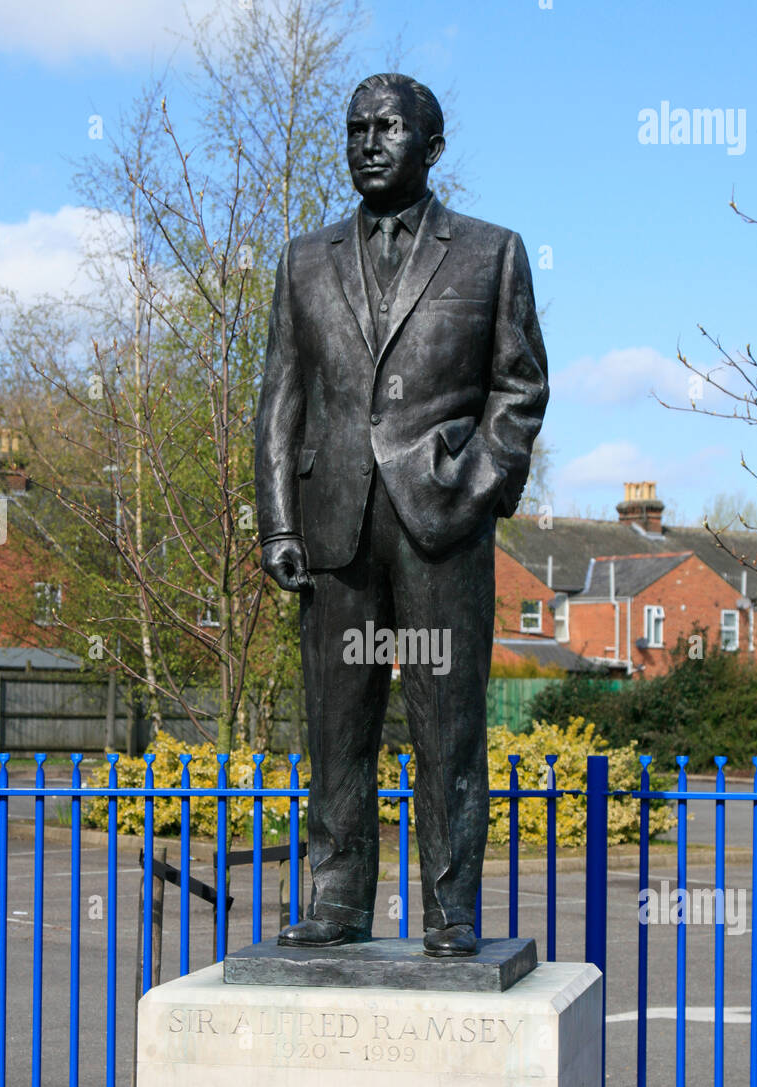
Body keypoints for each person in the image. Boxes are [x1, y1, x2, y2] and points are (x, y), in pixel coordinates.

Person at [255, 73, 549, 957]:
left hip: (439, 527)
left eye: (387, 128)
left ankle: (450, 908)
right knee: (336, 727)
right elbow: (280, 400)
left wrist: (479, 483)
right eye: (354, 129)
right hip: (335, 527)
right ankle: (338, 900)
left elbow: (521, 386)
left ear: (432, 145)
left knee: (447, 727)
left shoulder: (491, 252)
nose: (368, 142)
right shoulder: (304, 260)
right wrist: (278, 523)